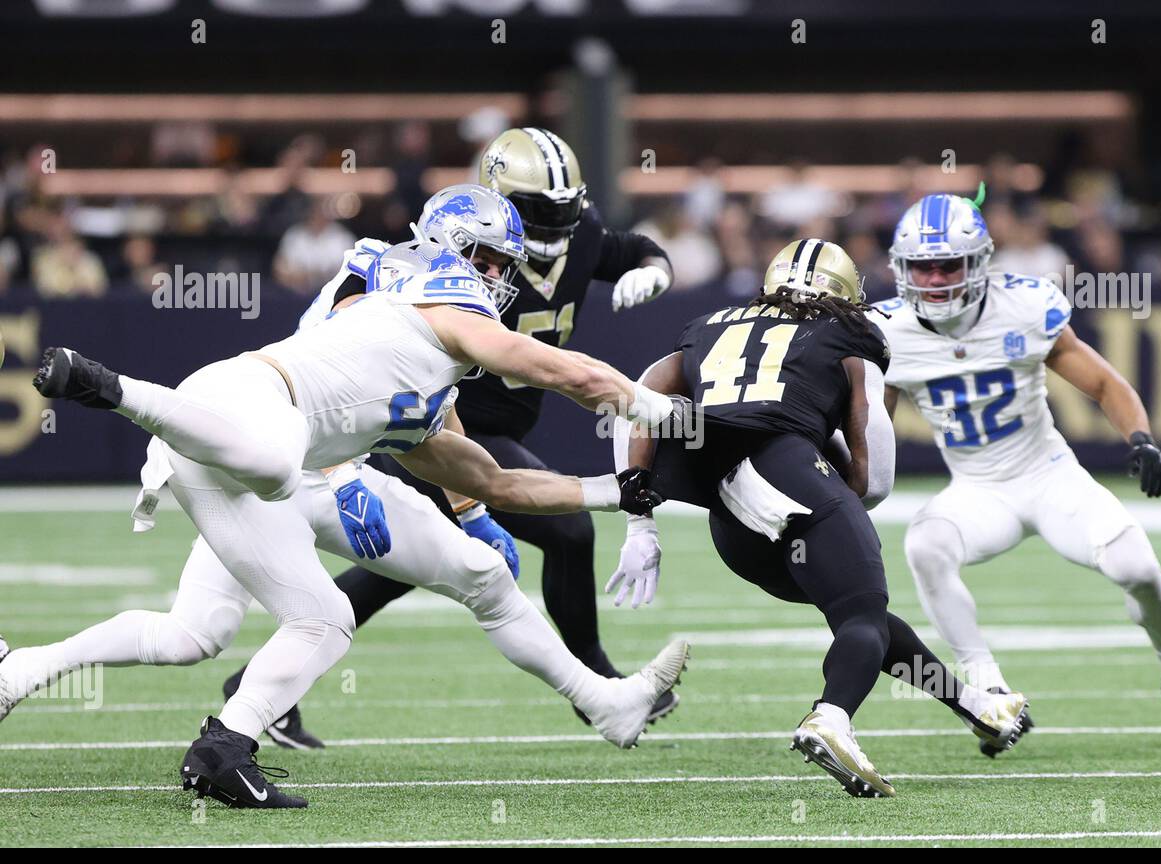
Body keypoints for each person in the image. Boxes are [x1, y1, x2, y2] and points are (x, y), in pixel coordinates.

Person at [9, 192, 688, 809]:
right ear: (446, 249)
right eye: (483, 260)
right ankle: (117, 391)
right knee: (280, 478)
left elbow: (491, 478)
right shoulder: (423, 290)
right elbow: (548, 367)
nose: (495, 278)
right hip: (251, 421)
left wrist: (610, 492)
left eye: (500, 266)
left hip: (260, 461)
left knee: (209, 631)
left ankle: (42, 680)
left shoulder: (429, 363)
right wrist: (647, 404)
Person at [223, 127, 678, 748]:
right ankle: (595, 683)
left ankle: (257, 686)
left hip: (481, 428)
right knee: (560, 535)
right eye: (539, 211)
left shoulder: (576, 239)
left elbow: (637, 248)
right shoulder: (452, 262)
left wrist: (654, 272)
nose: (556, 226)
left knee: (404, 567)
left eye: (565, 210)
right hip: (436, 425)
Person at [604, 239, 1030, 797]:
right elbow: (875, 478)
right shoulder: (851, 333)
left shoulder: (709, 325)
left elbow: (633, 399)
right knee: (861, 614)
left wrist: (639, 521)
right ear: (846, 293)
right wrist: (834, 503)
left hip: (729, 517)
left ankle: (976, 706)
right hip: (790, 472)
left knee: (859, 615)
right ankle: (830, 718)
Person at [874, 190, 1161, 753]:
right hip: (977, 492)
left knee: (1138, 568)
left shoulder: (1024, 305)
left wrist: (1142, 439)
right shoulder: (888, 330)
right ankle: (990, 693)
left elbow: (1104, 382)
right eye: (921, 267)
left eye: (948, 265)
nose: (934, 279)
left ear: (978, 262)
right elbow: (875, 431)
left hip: (1049, 476)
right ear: (901, 268)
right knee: (925, 545)